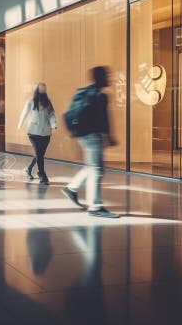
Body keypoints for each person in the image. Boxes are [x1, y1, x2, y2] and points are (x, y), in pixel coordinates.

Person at [61, 66, 119, 218]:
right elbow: (104, 119)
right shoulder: (100, 96)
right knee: (96, 170)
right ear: (101, 77)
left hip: (82, 135)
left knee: (92, 166)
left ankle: (71, 189)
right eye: (107, 75)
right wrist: (109, 136)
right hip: (93, 136)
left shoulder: (85, 92)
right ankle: (95, 206)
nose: (110, 78)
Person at [18, 82, 57, 184]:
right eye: (41, 88)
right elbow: (25, 114)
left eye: (44, 88)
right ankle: (42, 175)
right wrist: (20, 125)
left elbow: (51, 114)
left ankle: (28, 169)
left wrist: (54, 124)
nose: (43, 90)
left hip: (46, 132)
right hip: (33, 132)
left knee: (40, 154)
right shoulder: (30, 101)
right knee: (39, 154)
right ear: (37, 90)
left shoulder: (47, 102)